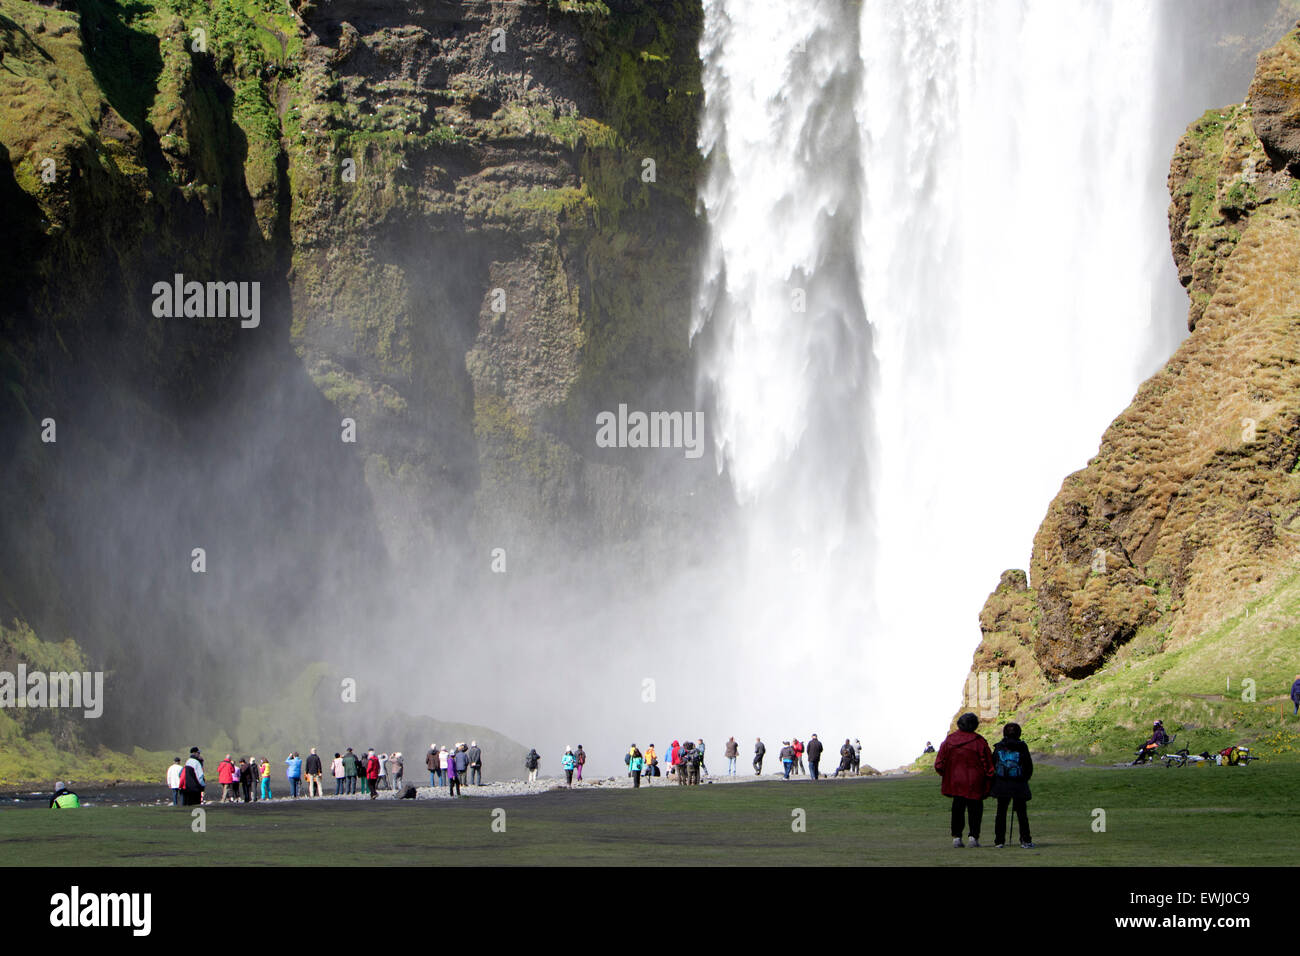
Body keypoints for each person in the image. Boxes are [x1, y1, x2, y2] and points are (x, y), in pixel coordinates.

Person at [935, 712, 994, 848]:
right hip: (975, 781)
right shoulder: (979, 741)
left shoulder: (949, 741)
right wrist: (989, 778)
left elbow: (939, 764)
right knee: (975, 810)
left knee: (957, 809)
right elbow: (988, 764)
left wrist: (948, 774)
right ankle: (973, 837)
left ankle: (956, 837)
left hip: (956, 781)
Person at [991, 722, 1034, 849]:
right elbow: (1028, 766)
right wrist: (1024, 779)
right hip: (1019, 784)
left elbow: (993, 763)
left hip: (1002, 784)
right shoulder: (1022, 746)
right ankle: (1025, 840)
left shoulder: (999, 746)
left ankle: (999, 841)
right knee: (1022, 814)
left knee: (1001, 813)